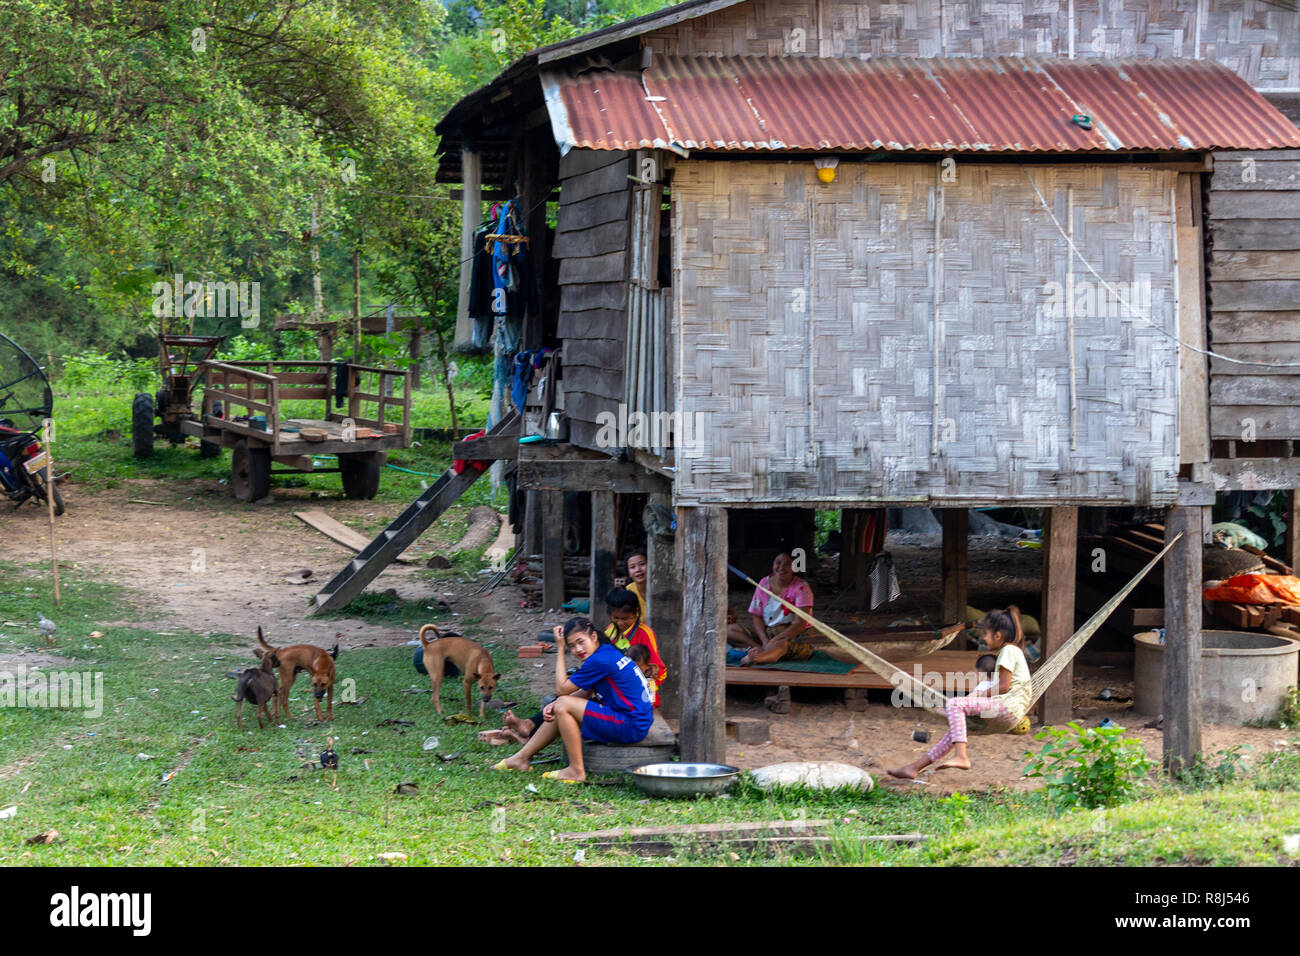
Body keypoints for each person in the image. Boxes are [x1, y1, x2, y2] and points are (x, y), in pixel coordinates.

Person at [493, 618, 653, 782]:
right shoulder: (607, 651)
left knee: (563, 704)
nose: (578, 649)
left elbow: (561, 689)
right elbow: (585, 692)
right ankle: (521, 758)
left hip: (629, 724)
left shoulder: (599, 660)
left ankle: (576, 771)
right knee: (561, 705)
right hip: (633, 721)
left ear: (593, 637)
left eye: (580, 642)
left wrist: (560, 648)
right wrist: (554, 705)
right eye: (571, 646)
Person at [888, 607, 1032, 779]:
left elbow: (1003, 687)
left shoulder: (1008, 650)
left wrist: (978, 695)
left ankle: (961, 756)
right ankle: (914, 768)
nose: (984, 638)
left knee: (955, 703)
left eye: (986, 633)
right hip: (1006, 713)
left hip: (1006, 709)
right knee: (955, 732)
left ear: (998, 635)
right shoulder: (1012, 652)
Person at [725, 552, 815, 665]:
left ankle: (756, 658)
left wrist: (774, 640)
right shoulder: (764, 583)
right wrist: (764, 640)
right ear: (773, 565)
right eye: (778, 562)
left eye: (787, 564)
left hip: (792, 636)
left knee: (780, 646)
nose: (781, 567)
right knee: (729, 630)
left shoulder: (802, 588)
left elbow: (799, 625)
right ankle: (760, 649)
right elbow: (757, 616)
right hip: (769, 633)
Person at [604, 588, 666, 707]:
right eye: (615, 618)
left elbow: (660, 670)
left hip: (640, 692)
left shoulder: (645, 633)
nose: (620, 623)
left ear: (636, 612)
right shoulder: (609, 631)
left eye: (625, 619)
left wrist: (648, 694)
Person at [625, 548, 649, 622]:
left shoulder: (662, 587)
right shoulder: (628, 592)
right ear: (629, 573)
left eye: (642, 564)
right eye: (632, 567)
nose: (638, 569)